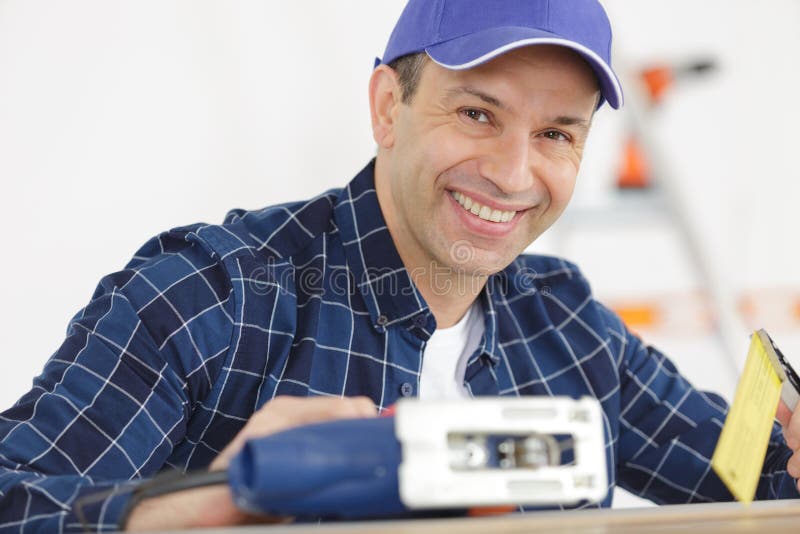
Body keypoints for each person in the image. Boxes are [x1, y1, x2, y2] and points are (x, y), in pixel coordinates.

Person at [1, 0, 799, 531]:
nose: (515, 174)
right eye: (478, 113)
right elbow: (18, 499)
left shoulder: (567, 325)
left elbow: (749, 483)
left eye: (556, 133)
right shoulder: (212, 297)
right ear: (388, 106)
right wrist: (215, 499)